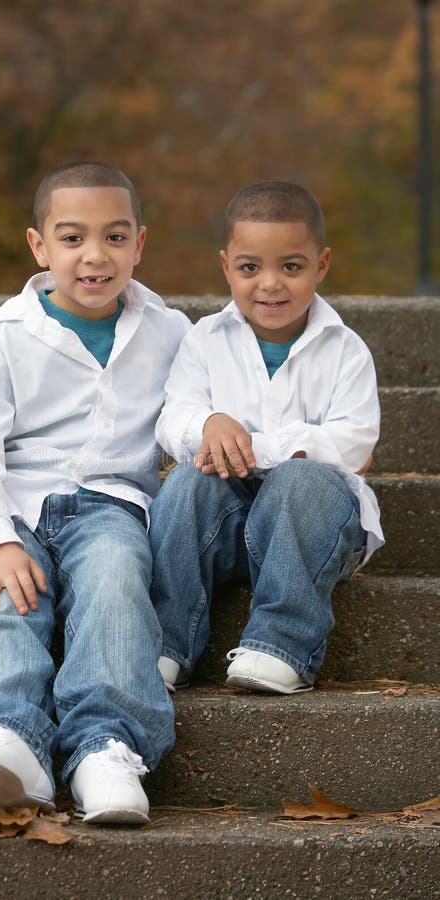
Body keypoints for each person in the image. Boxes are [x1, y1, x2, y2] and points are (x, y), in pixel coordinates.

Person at [0, 161, 189, 823]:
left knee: (115, 579)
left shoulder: (171, 333)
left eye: (114, 237)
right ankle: (5, 736)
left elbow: (207, 403)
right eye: (72, 238)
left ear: (139, 244)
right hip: (13, 506)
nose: (94, 255)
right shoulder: (3, 338)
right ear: (39, 247)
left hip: (110, 506)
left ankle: (105, 746)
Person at [150, 181, 384, 696]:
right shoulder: (204, 340)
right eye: (250, 267)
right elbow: (172, 418)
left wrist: (259, 448)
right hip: (229, 524)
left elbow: (354, 443)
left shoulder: (346, 351)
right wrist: (208, 424)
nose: (270, 284)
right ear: (226, 267)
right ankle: (164, 644)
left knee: (301, 478)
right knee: (189, 483)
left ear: (322, 265)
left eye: (291, 267)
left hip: (315, 530)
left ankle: (282, 645)